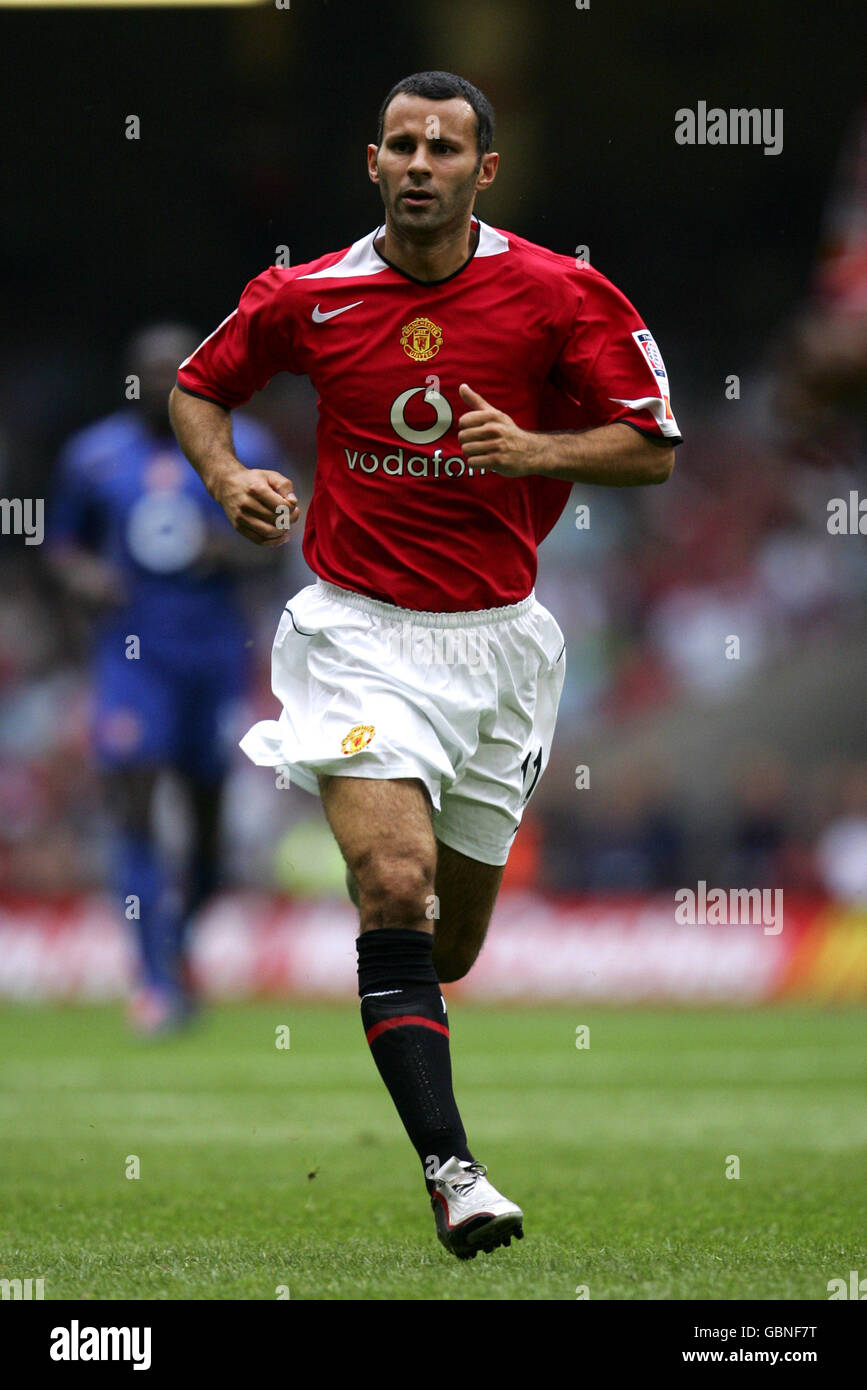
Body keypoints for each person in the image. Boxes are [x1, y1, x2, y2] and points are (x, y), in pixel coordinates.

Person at [169, 71, 681, 1257]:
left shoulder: (560, 292)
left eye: (443, 149)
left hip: (499, 645)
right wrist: (229, 477)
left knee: (446, 944)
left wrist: (537, 445)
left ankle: (410, 1030)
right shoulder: (308, 293)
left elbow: (653, 446)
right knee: (394, 887)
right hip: (355, 633)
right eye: (400, 144)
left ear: (481, 172)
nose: (418, 165)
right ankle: (456, 1173)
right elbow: (200, 387)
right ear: (372, 161)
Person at [49, 323, 285, 1034]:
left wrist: (233, 551)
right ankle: (152, 982)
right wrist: (87, 579)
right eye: (145, 373)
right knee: (133, 800)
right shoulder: (92, 456)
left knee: (210, 830)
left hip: (213, 658)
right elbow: (61, 547)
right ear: (129, 379)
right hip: (133, 659)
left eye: (170, 372)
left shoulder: (248, 449)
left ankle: (175, 944)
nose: (158, 385)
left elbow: (278, 551)